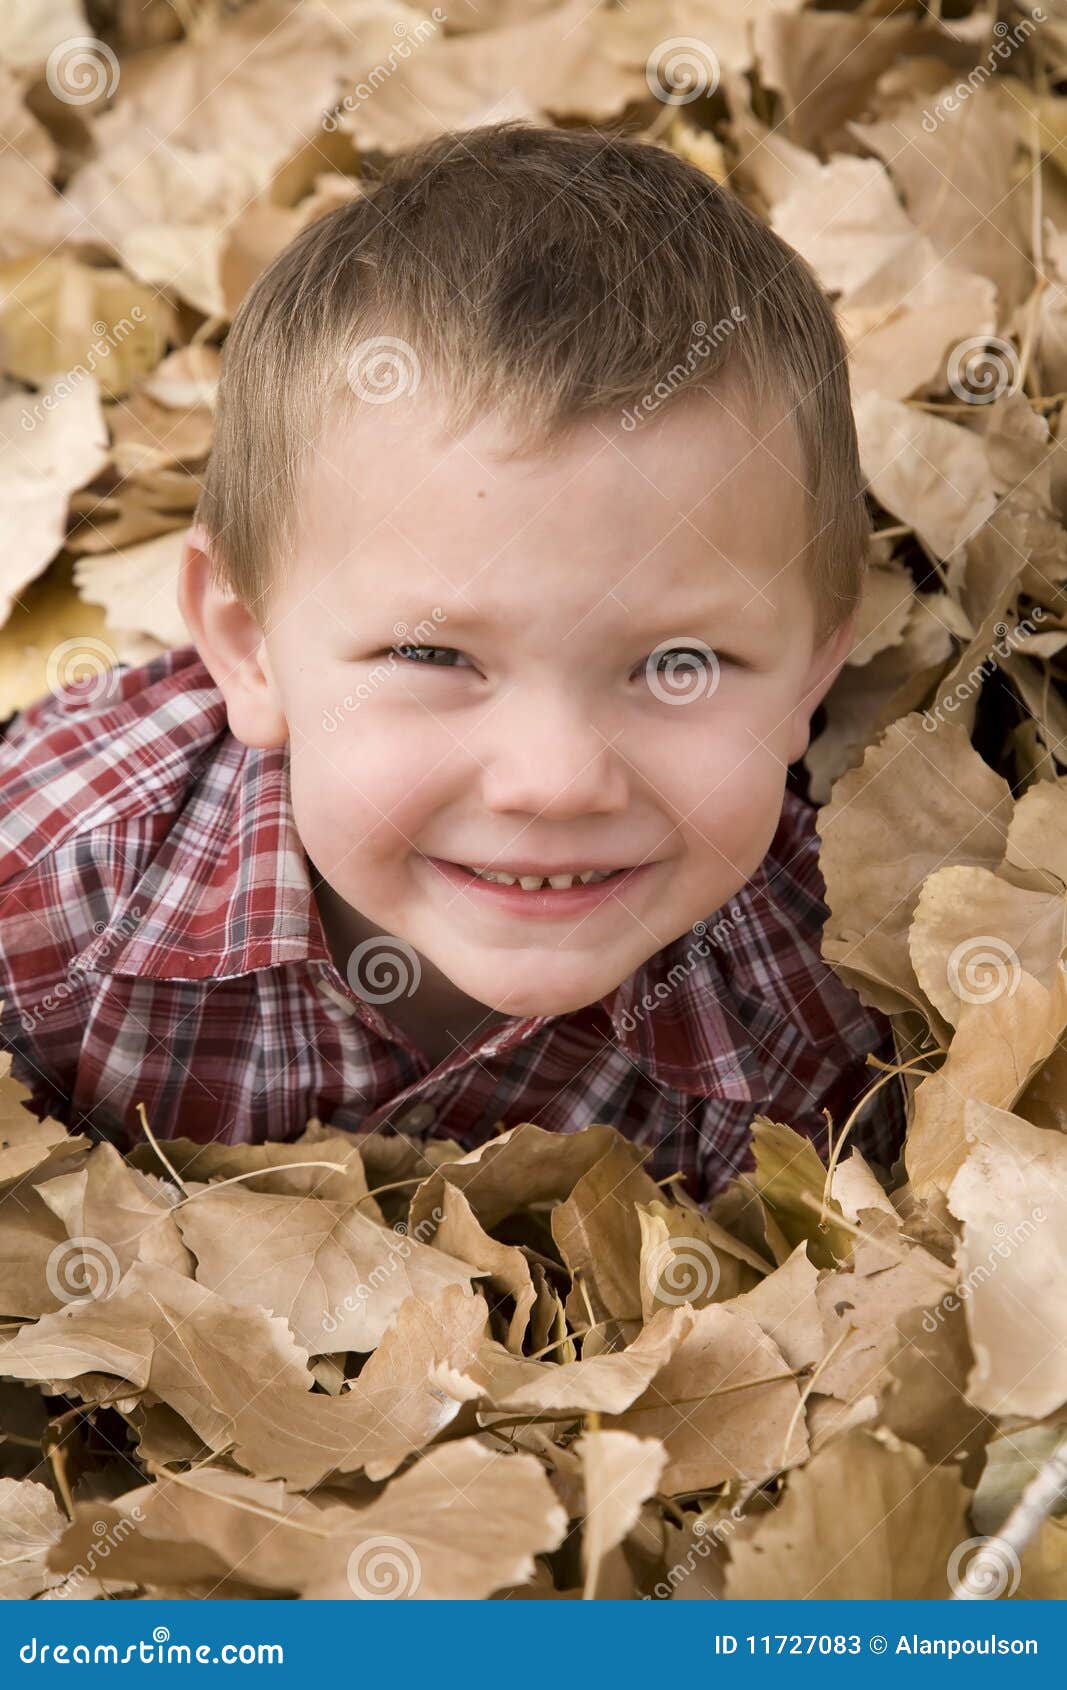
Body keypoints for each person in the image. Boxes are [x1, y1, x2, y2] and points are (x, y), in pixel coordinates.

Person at [0, 120, 905, 1204]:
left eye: (678, 664)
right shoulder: (46, 898)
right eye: (434, 654)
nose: (557, 780)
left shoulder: (816, 1042)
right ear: (248, 649)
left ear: (810, 670)